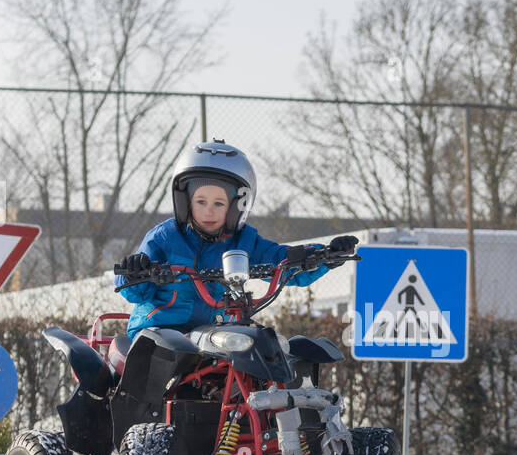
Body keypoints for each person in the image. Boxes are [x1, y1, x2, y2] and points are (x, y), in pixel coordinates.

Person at [115, 140, 355, 340]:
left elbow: (282, 261)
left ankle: (270, 396)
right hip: (160, 331)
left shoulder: (244, 241)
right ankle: (134, 399)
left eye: (218, 204)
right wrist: (134, 272)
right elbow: (135, 292)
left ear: (237, 207)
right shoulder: (165, 237)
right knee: (158, 356)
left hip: (216, 334)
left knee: (260, 351)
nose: (209, 211)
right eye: (201, 202)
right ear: (184, 202)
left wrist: (323, 256)